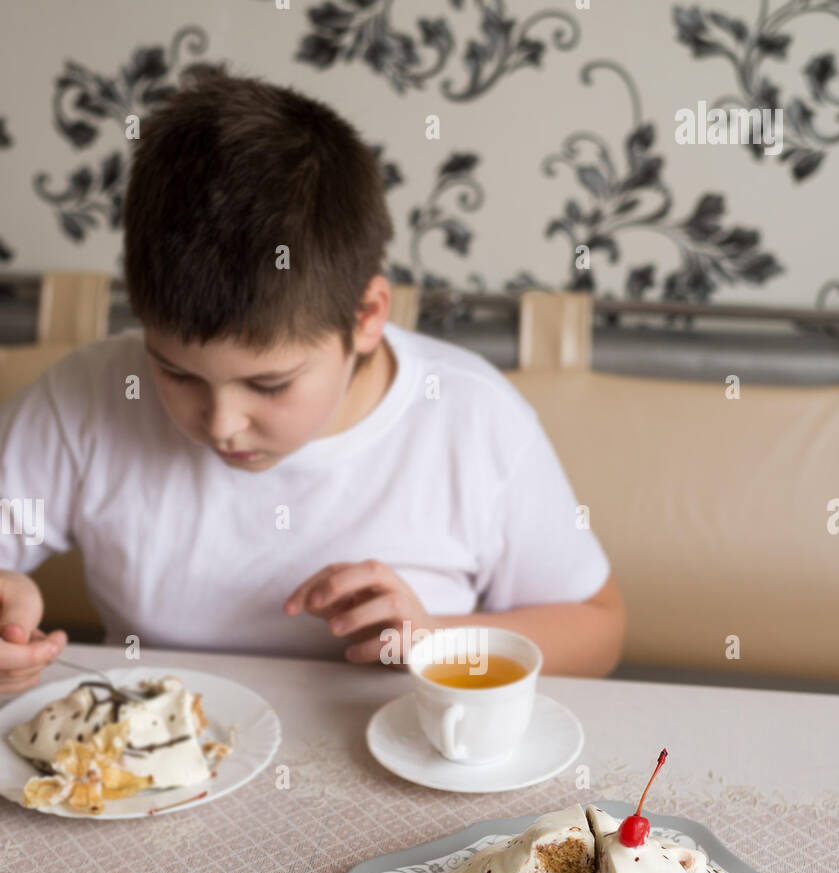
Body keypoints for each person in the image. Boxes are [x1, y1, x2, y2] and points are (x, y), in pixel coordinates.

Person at [0, 67, 625, 696]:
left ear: (367, 317)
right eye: (176, 372)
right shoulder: (84, 399)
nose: (220, 425)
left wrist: (438, 641)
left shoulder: (472, 419)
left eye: (269, 385)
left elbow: (599, 628)